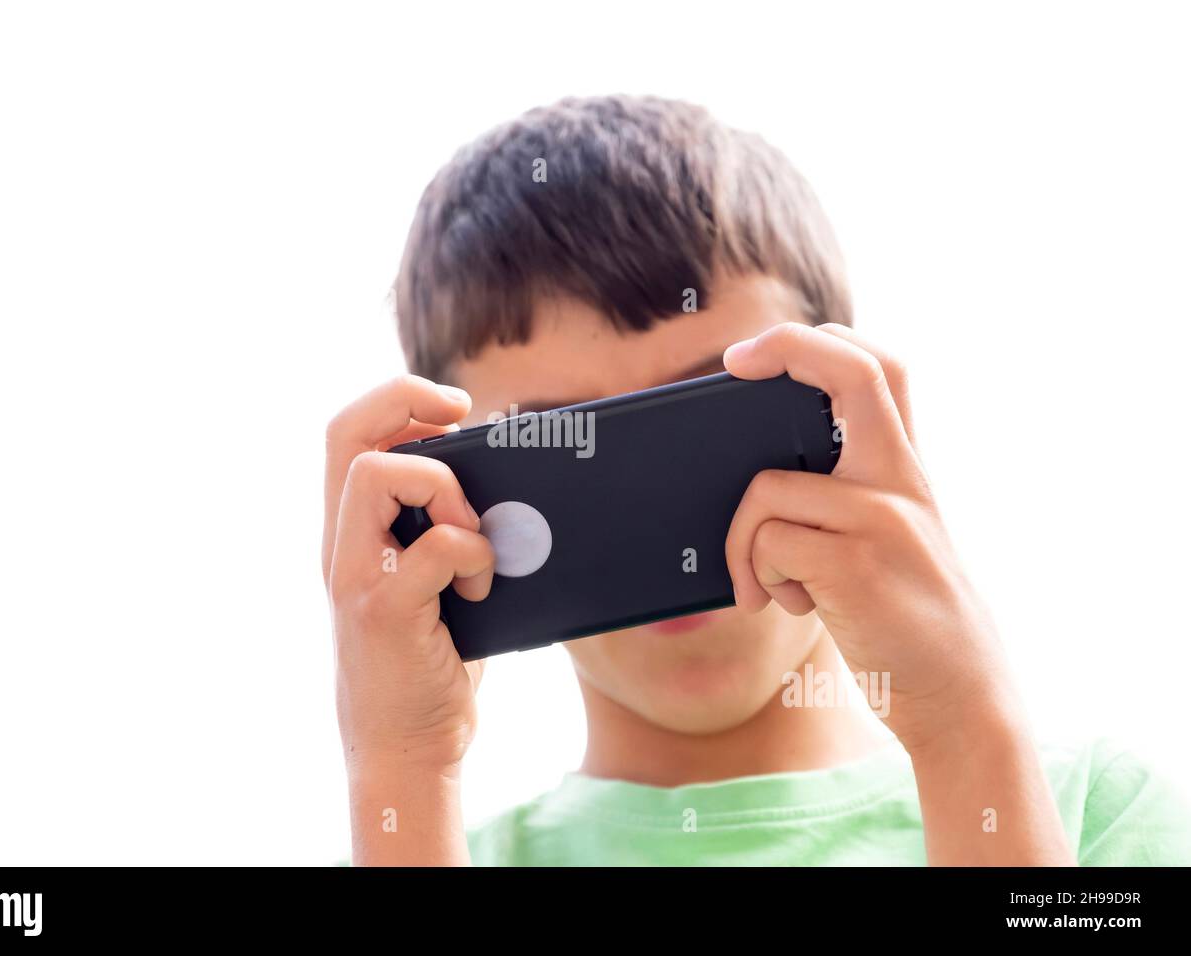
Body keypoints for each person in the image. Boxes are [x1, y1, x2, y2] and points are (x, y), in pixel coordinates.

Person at [323, 95, 1189, 866]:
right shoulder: (419, 840)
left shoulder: (1092, 814)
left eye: (706, 426)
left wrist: (962, 729)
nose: (666, 519)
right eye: (565, 446)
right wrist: (398, 765)